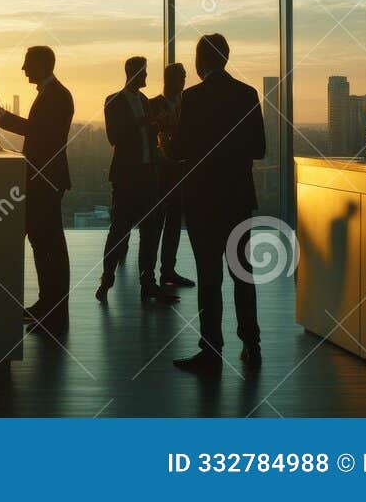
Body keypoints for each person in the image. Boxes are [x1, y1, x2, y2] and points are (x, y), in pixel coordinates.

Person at [168, 34, 265, 375]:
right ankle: (251, 345)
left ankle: (211, 351)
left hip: (203, 199)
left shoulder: (192, 98)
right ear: (225, 57)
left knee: (209, 278)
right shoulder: (248, 94)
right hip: (237, 198)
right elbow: (260, 149)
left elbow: (180, 151)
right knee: (243, 274)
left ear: (200, 61)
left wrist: (166, 138)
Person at [0, 46, 75, 333]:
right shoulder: (54, 94)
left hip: (45, 179)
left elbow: (39, 133)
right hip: (44, 179)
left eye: (26, 64)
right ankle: (48, 304)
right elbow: (38, 130)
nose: (23, 69)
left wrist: (0, 114)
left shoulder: (57, 95)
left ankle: (55, 311)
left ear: (40, 64)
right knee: (43, 242)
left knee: (50, 245)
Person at [101, 56, 178, 304]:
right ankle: (107, 279)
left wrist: (156, 127)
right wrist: (142, 123)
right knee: (119, 230)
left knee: (150, 231)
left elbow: (145, 137)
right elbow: (114, 137)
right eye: (143, 73)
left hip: (147, 174)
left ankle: (148, 282)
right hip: (127, 178)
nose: (146, 77)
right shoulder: (113, 101)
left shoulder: (144, 101)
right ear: (133, 73)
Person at [149, 63, 195, 288]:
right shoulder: (153, 106)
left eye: (185, 76)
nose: (184, 81)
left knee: (174, 221)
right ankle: (154, 272)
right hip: (161, 172)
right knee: (158, 222)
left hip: (180, 171)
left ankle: (167, 270)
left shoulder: (189, 104)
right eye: (181, 76)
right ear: (169, 79)